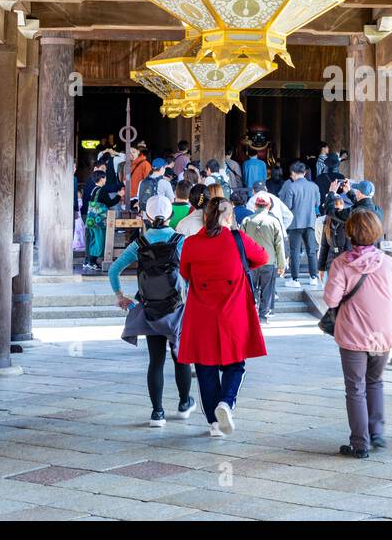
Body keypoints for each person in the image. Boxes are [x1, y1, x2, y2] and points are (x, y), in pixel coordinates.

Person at [177, 197, 269, 437]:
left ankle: (214, 423)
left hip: (201, 312)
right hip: (233, 310)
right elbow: (262, 258)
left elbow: (185, 272)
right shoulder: (238, 239)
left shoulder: (191, 244)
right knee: (235, 363)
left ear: (205, 216)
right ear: (229, 217)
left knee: (205, 367)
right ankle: (226, 403)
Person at [109, 196, 195, 426]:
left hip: (150, 307)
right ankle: (184, 403)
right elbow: (193, 272)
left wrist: (120, 296)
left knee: (155, 361)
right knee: (181, 359)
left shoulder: (140, 243)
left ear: (147, 216)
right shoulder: (181, 241)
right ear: (169, 216)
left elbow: (114, 270)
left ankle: (157, 413)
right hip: (178, 308)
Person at [322, 210, 392, 459]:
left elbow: (331, 299)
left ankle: (359, 443)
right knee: (375, 381)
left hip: (354, 333)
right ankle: (376, 432)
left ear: (350, 233)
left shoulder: (342, 263)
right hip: (383, 332)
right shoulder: (388, 262)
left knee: (355, 388)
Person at [241, 192, 287, 321]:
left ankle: (251, 315)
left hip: (251, 263)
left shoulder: (247, 220)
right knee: (267, 290)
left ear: (255, 206)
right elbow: (279, 244)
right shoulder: (274, 221)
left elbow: (241, 244)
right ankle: (263, 316)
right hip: (268, 261)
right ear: (268, 206)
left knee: (251, 289)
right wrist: (281, 264)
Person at [279, 161, 321, 286]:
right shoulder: (314, 187)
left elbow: (288, 206)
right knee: (311, 251)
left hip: (295, 223)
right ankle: (313, 277)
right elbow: (317, 204)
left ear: (293, 173)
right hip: (310, 222)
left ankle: (295, 279)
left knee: (295, 251)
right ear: (304, 173)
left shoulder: (291, 187)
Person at [83, 170, 120, 273]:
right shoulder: (102, 190)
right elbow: (110, 202)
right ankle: (92, 262)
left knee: (93, 240)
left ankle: (88, 261)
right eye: (104, 177)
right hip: (98, 221)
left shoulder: (93, 189)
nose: (105, 179)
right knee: (99, 241)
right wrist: (119, 195)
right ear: (101, 179)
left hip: (91, 220)